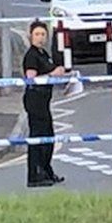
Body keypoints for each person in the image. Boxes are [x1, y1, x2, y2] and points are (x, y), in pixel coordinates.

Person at [22, 21, 68, 187]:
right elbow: (31, 79)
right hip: (35, 99)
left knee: (49, 137)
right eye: (37, 34)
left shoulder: (44, 54)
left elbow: (49, 73)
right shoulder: (31, 56)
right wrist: (52, 73)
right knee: (38, 137)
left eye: (43, 34)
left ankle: (47, 170)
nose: (40, 38)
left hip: (44, 99)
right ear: (31, 36)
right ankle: (35, 175)